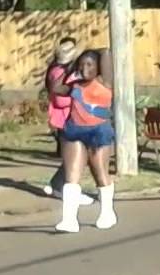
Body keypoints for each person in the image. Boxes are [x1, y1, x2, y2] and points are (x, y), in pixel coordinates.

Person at [49, 49, 119, 233]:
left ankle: (107, 213)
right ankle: (69, 220)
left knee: (100, 173)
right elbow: (55, 88)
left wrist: (92, 53)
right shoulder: (75, 85)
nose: (85, 68)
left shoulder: (105, 82)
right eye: (82, 65)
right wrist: (69, 68)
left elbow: (105, 53)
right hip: (75, 131)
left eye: (89, 65)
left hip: (99, 132)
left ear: (98, 68)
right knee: (71, 176)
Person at [42, 38, 93, 205]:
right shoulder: (58, 72)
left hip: (71, 117)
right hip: (66, 118)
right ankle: (69, 190)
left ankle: (57, 183)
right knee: (77, 155)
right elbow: (58, 100)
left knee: (74, 155)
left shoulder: (62, 70)